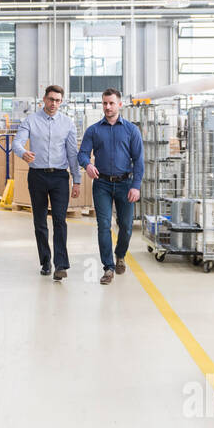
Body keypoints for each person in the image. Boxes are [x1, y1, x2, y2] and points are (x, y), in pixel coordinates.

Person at [11, 85, 82, 280]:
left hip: (59, 176)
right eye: (51, 99)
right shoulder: (31, 120)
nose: (54, 104)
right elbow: (17, 142)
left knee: (60, 221)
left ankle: (61, 264)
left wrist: (77, 180)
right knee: (40, 222)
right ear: (44, 99)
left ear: (62, 102)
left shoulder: (68, 123)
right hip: (37, 176)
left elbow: (72, 154)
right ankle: (45, 261)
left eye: (58, 100)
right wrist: (22, 152)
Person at [77, 88, 144, 286]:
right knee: (104, 226)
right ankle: (108, 267)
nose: (107, 107)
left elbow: (138, 160)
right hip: (102, 184)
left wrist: (136, 186)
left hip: (125, 184)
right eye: (105, 103)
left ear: (119, 104)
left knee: (126, 227)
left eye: (111, 103)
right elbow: (82, 153)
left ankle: (120, 255)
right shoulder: (94, 130)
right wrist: (87, 165)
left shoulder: (132, 130)